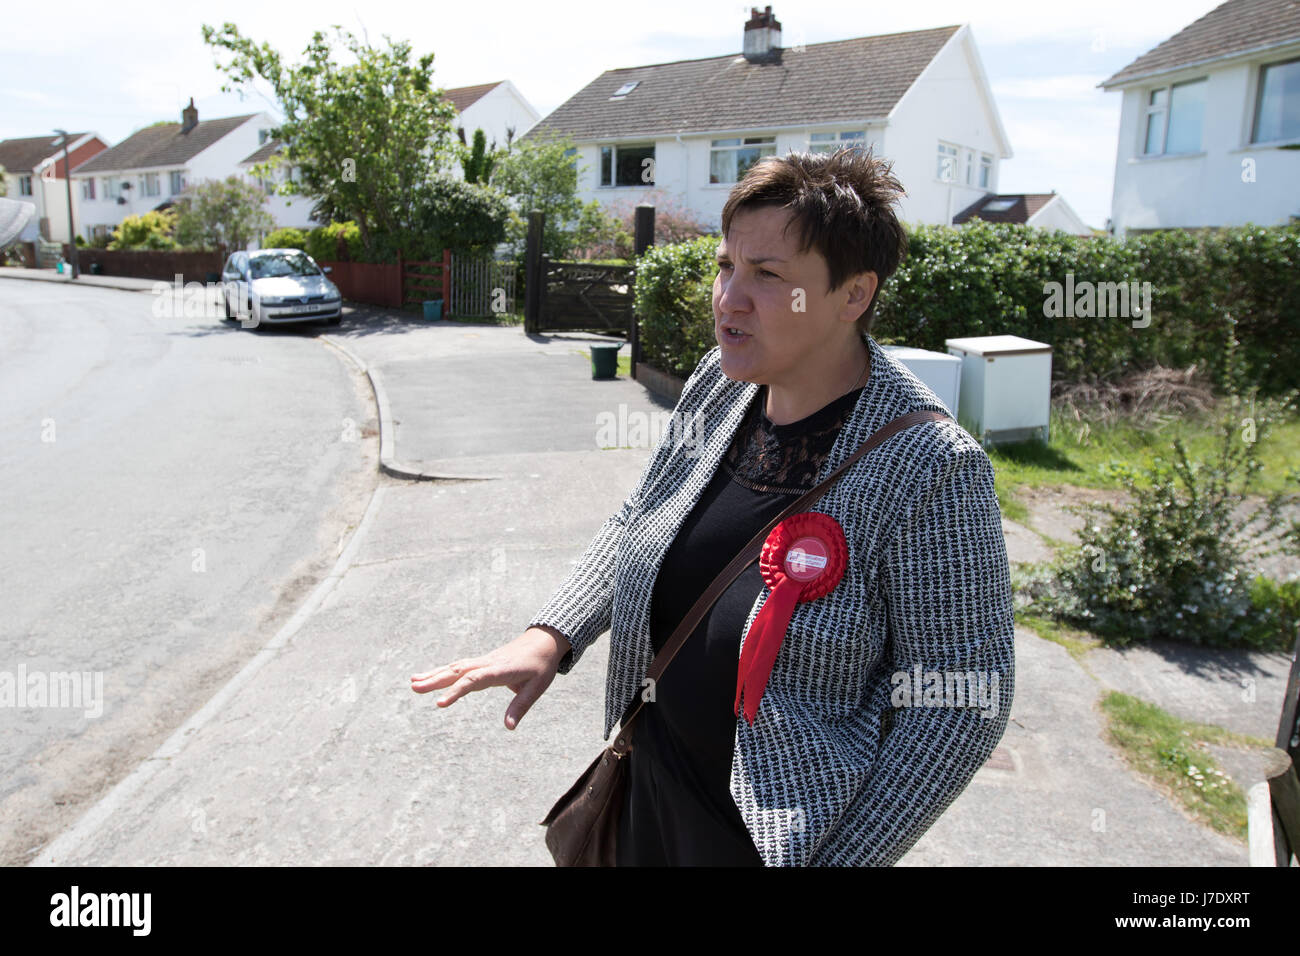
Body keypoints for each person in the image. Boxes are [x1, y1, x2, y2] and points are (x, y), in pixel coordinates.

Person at [411, 147, 1015, 866]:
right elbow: (645, 513)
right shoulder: (719, 385)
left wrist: (839, 862)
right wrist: (552, 634)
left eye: (767, 276)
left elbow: (959, 704)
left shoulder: (931, 468)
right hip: (649, 786)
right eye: (727, 266)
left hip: (769, 845)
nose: (729, 297)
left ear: (853, 295)